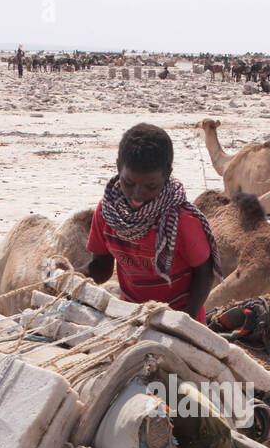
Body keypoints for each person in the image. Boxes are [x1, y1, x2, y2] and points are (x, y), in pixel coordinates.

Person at [86, 123, 219, 322]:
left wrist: (184, 323)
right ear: (118, 168)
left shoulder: (181, 221)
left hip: (179, 316)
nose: (138, 195)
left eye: (150, 186)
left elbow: (205, 273)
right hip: (131, 316)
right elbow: (102, 267)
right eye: (129, 183)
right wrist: (71, 277)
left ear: (167, 175)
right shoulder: (107, 214)